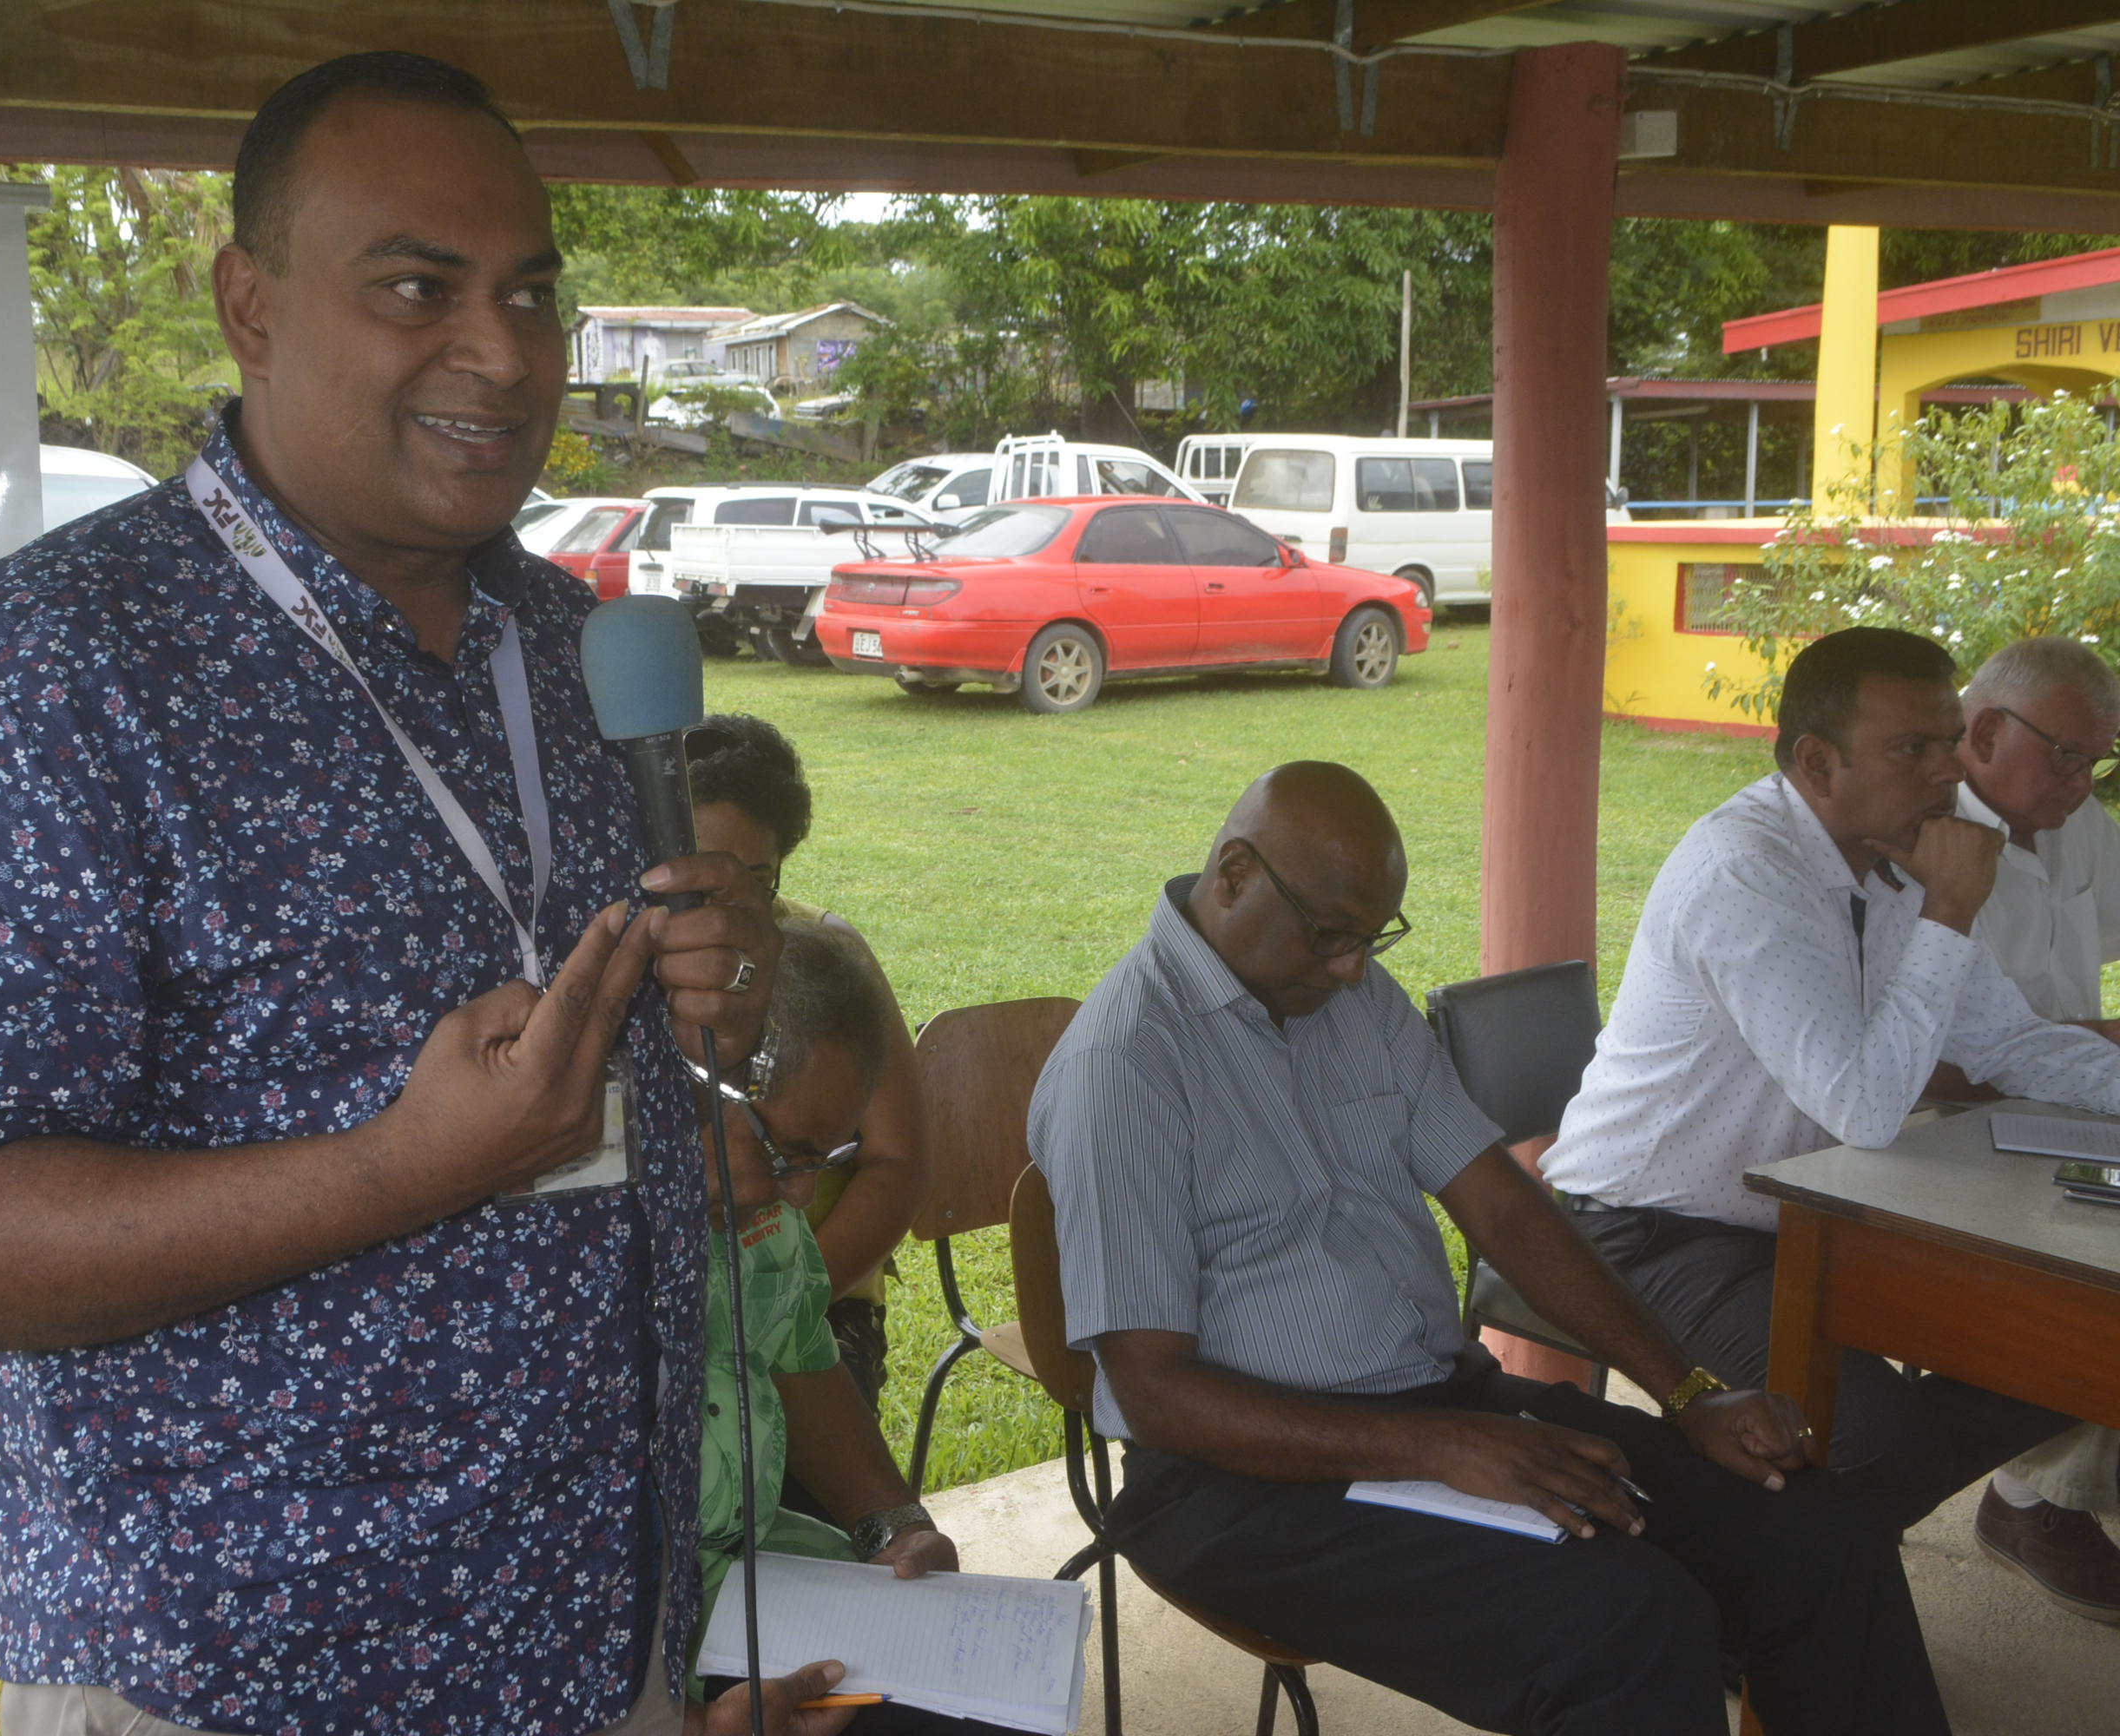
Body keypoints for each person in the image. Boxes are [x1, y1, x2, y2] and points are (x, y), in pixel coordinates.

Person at [0, 53, 785, 1736]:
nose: (500, 350)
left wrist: (718, 979)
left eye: (530, 291)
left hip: (590, 1634)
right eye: (418, 287)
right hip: (233, 1673)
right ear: (247, 305)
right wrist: (398, 1169)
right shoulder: (52, 668)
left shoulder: (567, 647)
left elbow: (640, 1054)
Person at [1033, 761, 1950, 1736]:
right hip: (1236, 1484)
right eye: (1330, 932)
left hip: (1435, 1406)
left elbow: (1504, 1210)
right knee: (1626, 1622)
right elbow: (1158, 1393)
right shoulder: (1123, 1066)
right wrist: (1438, 1445)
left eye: (1370, 936)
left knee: (1813, 1529)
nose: (1351, 966)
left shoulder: (1351, 1000)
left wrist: (1687, 1394)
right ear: (1231, 876)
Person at [1544, 625, 2119, 1539]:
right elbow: (1861, 1107)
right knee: (1873, 1443)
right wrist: (1949, 910)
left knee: (2084, 1347)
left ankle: (1784, 1555)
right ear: (1817, 762)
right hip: (1647, 1228)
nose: (1945, 771)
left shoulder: (1892, 855)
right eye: (1912, 748)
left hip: (1809, 1216)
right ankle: (1746, 1588)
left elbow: (2014, 1040)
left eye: (1949, 740)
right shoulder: (1747, 873)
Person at [688, 918, 1016, 1736]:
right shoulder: (549, 1265)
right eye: (784, 1149)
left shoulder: (757, 1210)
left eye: (824, 1160)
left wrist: (893, 1527)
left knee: (989, 1709)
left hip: (759, 1596)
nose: (801, 1197)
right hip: (626, 1657)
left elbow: (800, 1355)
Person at [685, 714, 930, 1418]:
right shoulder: (623, 962)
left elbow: (902, 1164)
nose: (725, 908)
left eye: (754, 878)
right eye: (699, 876)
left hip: (821, 1305)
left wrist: (785, 1307)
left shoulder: (826, 956)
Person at [1947, 635, 2120, 1621]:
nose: (2083, 781)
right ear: (1981, 732)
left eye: (2100, 758)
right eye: (2066, 755)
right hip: (1957, 1121)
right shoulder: (1926, 842)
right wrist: (2102, 1040)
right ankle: (2031, 1495)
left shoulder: (2076, 819)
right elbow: (1948, 1057)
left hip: (2070, 1101)